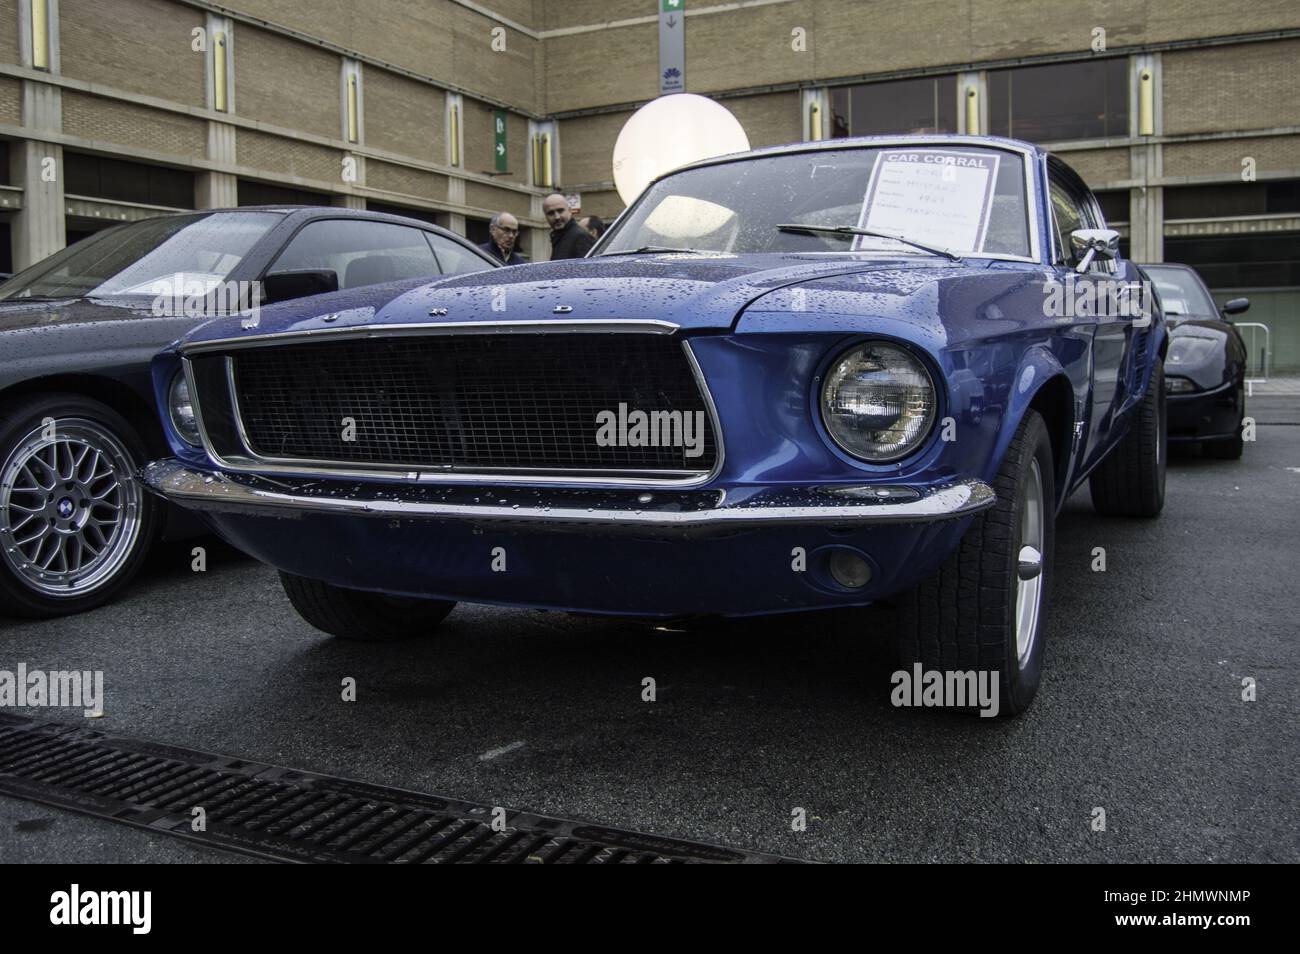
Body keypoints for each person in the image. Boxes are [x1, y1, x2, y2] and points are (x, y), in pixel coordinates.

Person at [544, 193, 595, 260]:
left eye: (560, 211)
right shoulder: (559, 237)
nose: (557, 217)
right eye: (551, 213)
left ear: (570, 210)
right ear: (545, 216)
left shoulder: (581, 237)